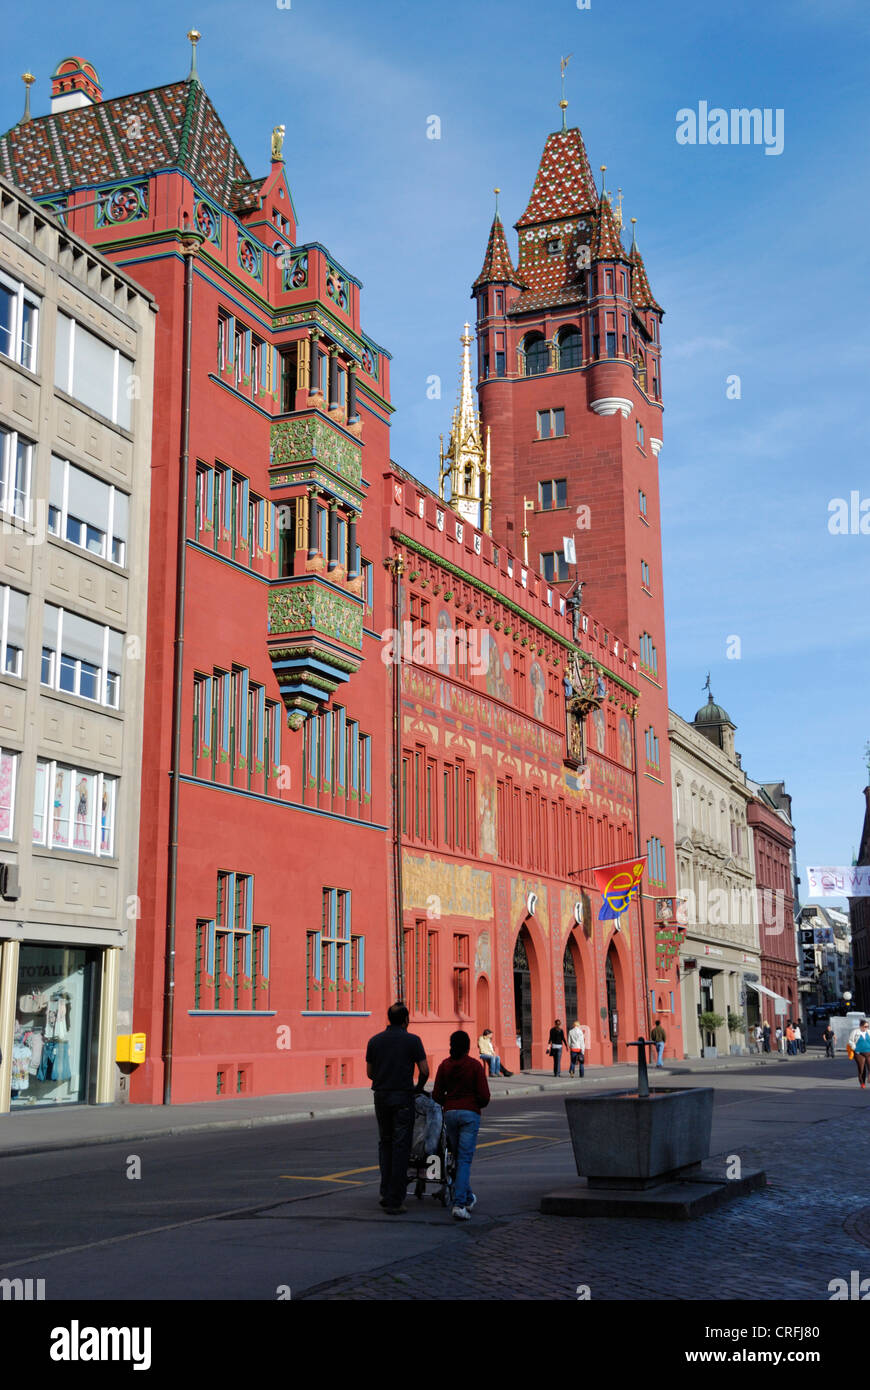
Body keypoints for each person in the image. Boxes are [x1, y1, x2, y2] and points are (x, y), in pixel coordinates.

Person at [365, 1002, 429, 1214]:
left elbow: (370, 1073)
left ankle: (385, 1191)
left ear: (388, 1019)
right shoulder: (413, 1040)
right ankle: (395, 1199)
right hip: (403, 1097)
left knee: (385, 1143)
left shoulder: (374, 1041)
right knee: (401, 1147)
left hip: (381, 1096)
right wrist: (417, 1087)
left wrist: (384, 1078)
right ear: (406, 1020)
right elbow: (425, 1070)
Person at [432, 1029, 490, 1220]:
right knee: (464, 1159)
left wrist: (448, 1103)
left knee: (458, 1158)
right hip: (469, 1113)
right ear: (467, 1047)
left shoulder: (444, 1065)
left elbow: (437, 1095)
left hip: (450, 1113)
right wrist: (474, 1105)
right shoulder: (474, 1066)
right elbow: (484, 1096)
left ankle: (467, 1196)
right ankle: (459, 1204)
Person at [848, 1018, 870, 1089]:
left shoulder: (869, 1032)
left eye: (867, 1026)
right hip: (859, 1053)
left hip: (869, 1052)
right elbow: (850, 1041)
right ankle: (862, 1083)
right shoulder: (855, 1032)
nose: (866, 1028)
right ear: (861, 1026)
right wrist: (855, 1048)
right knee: (861, 1068)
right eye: (865, 1026)